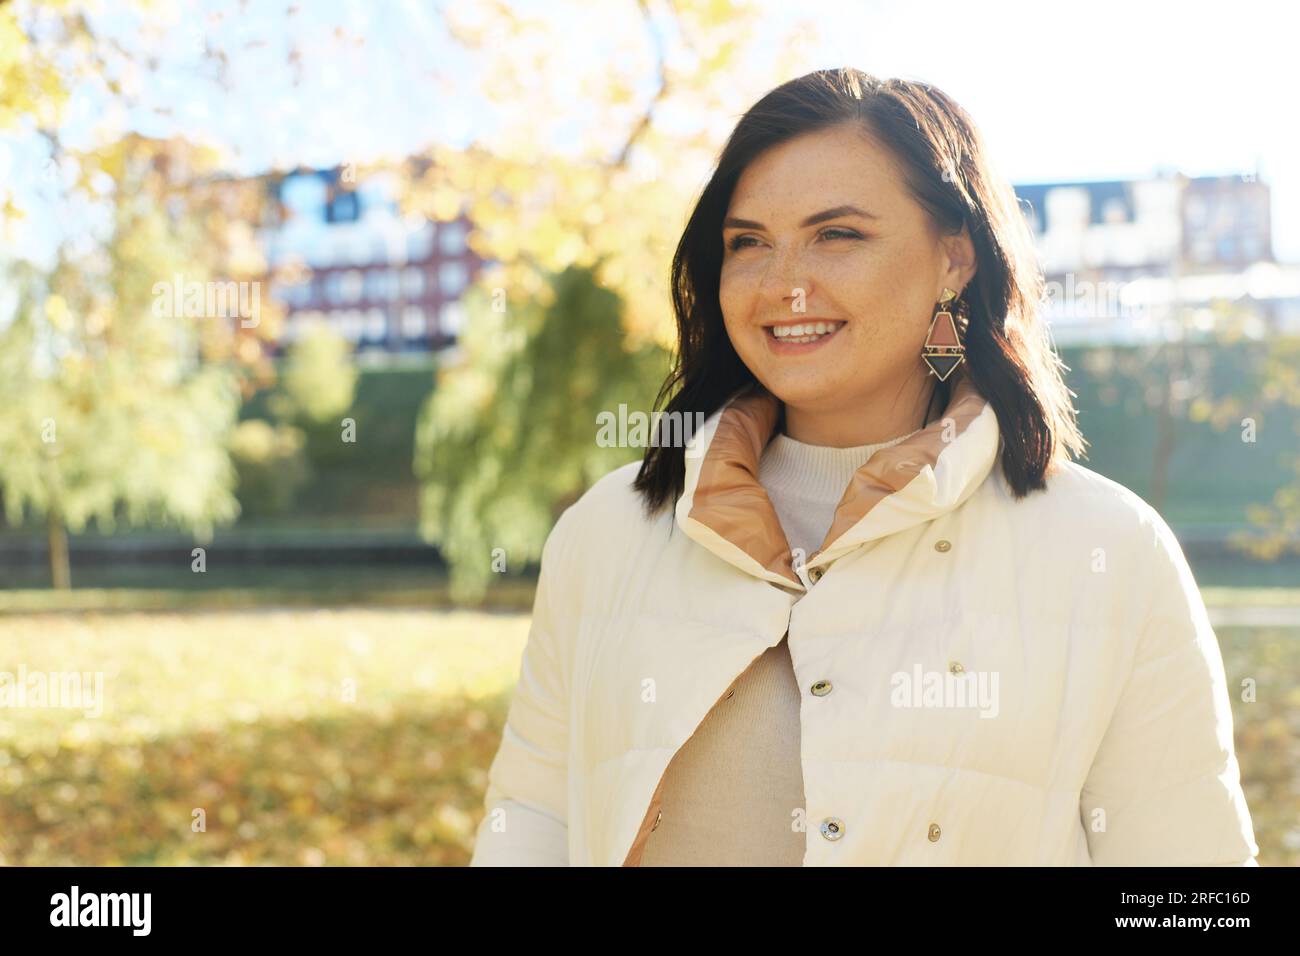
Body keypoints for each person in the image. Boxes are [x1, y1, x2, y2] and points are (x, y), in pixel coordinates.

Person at [469, 68, 1259, 866]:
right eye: (748, 243)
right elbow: (533, 820)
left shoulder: (1111, 552)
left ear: (956, 258)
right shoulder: (607, 534)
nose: (784, 284)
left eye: (836, 234)